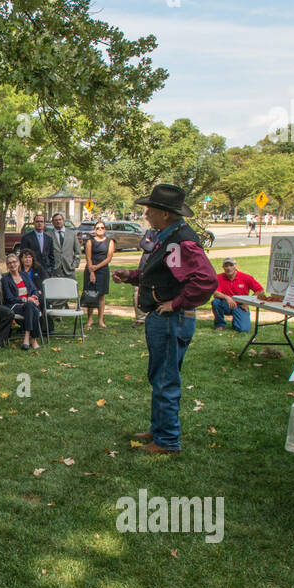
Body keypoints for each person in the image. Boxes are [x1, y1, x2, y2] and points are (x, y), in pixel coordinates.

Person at [112, 184, 218, 455]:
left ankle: (168, 440)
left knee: (166, 378)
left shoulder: (182, 240)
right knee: (158, 375)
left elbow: (205, 280)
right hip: (164, 320)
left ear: (166, 214)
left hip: (173, 320)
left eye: (151, 209)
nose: (146, 213)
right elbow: (164, 274)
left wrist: (176, 303)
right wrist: (131, 276)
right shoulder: (168, 235)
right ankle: (158, 429)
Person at [2, 253, 44, 350]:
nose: (12, 265)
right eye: (9, 263)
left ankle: (27, 336)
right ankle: (33, 340)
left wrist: (33, 298)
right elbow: (9, 297)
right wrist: (24, 299)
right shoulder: (5, 279)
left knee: (30, 306)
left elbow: (34, 289)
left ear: (18, 263)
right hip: (15, 305)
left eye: (14, 262)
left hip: (29, 304)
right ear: (7, 266)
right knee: (32, 308)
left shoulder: (24, 275)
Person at [212, 258, 264, 332]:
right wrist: (227, 297)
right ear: (223, 267)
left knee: (243, 329)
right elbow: (215, 293)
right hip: (227, 304)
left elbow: (260, 291)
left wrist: (247, 302)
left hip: (241, 305)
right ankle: (220, 324)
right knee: (216, 302)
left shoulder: (246, 277)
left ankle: (236, 322)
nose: (228, 268)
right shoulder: (218, 277)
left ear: (235, 266)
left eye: (231, 265)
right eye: (226, 266)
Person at [83, 221, 116, 328]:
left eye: (102, 227)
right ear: (95, 230)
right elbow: (88, 257)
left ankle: (101, 320)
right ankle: (90, 319)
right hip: (90, 268)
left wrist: (97, 267)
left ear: (105, 229)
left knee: (101, 295)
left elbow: (109, 258)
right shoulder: (90, 241)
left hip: (103, 270)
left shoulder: (110, 241)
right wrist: (92, 271)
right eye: (98, 228)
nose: (100, 229)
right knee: (91, 294)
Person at [132, 226, 160, 326]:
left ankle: (155, 317)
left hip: (156, 268)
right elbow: (144, 244)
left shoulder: (166, 233)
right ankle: (140, 319)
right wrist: (152, 243)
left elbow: (154, 246)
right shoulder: (150, 231)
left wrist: (151, 243)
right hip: (143, 267)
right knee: (137, 293)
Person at [50, 213, 79, 279]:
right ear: (52, 222)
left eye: (60, 219)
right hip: (54, 271)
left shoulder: (72, 234)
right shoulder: (48, 235)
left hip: (69, 270)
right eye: (56, 220)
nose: (58, 221)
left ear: (63, 221)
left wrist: (74, 265)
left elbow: (78, 251)